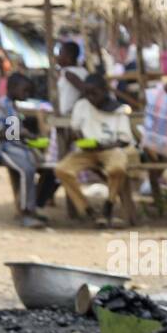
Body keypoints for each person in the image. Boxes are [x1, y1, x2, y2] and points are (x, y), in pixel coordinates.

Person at [54, 73, 138, 225]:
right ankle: (86, 209)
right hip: (87, 151)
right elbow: (76, 129)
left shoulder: (119, 110)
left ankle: (109, 204)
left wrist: (103, 146)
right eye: (87, 93)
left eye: (94, 92)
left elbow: (124, 140)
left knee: (117, 168)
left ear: (104, 90)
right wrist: (78, 137)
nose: (90, 97)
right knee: (62, 169)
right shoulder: (82, 105)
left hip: (111, 149)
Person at [0, 71, 46, 228]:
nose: (27, 95)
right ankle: (25, 213)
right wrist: (19, 133)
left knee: (31, 165)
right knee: (25, 169)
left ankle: (30, 208)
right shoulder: (1, 105)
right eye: (24, 90)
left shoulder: (11, 105)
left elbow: (13, 130)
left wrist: (23, 134)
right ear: (12, 88)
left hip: (10, 146)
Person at [55, 41, 89, 116]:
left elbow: (86, 91)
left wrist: (75, 107)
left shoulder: (68, 73)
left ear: (68, 57)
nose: (58, 56)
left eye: (61, 53)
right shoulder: (83, 71)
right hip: (72, 113)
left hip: (69, 114)